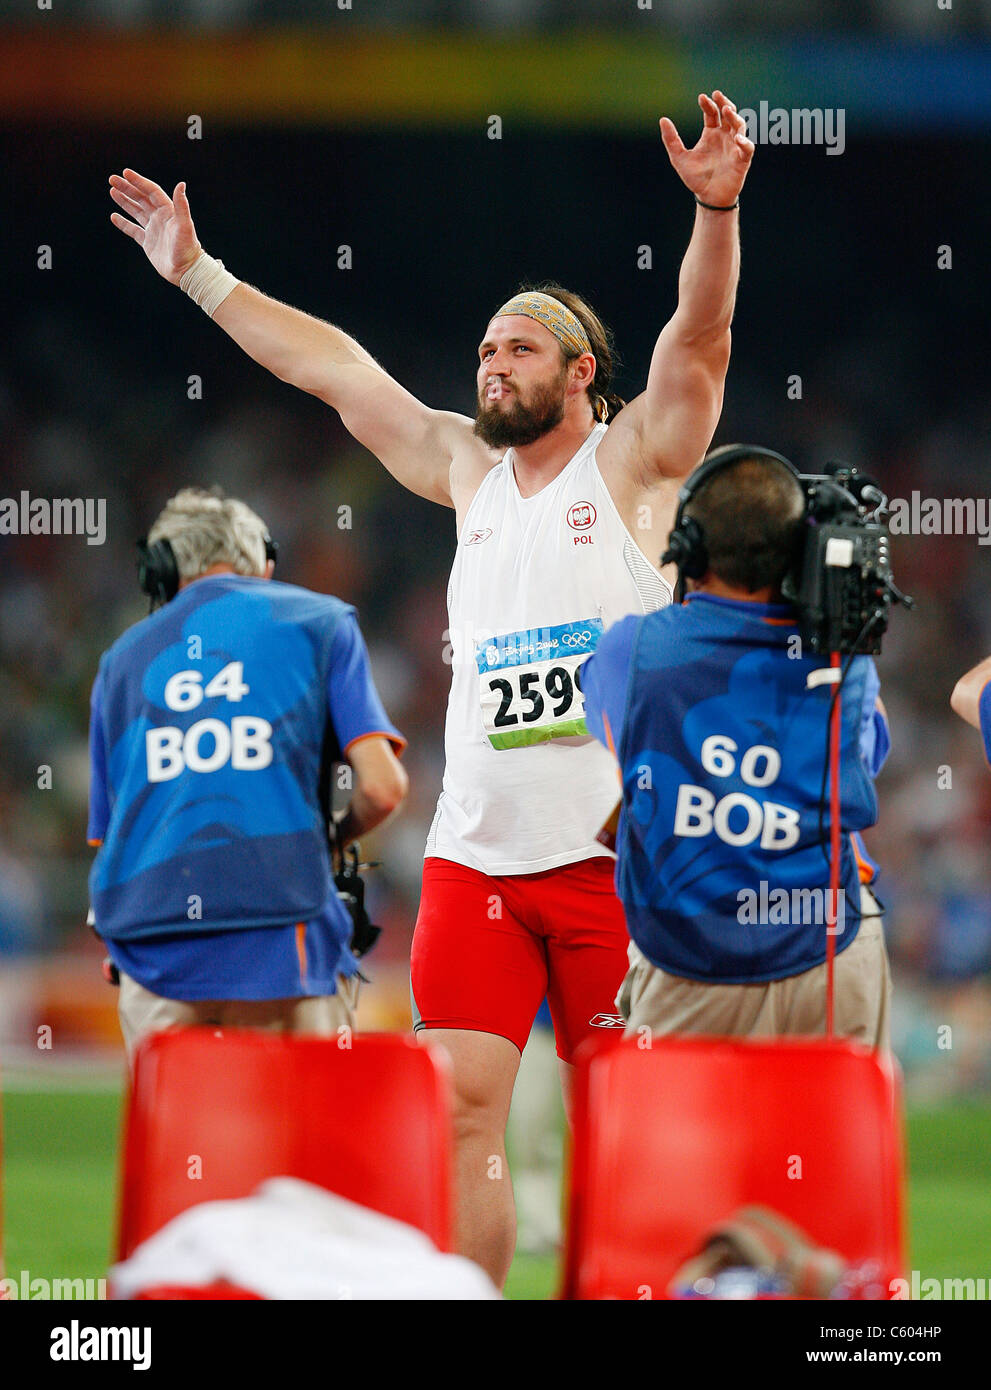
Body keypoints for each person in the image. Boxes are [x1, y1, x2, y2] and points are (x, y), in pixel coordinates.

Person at [107, 89, 754, 1286]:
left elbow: (698, 345)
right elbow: (336, 371)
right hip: (478, 863)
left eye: (515, 348)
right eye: (482, 350)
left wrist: (714, 212)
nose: (488, 363)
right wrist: (199, 274)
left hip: (616, 860)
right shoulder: (465, 468)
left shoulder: (634, 463)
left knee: (623, 1120)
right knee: (462, 1114)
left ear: (580, 371)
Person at [582, 446, 893, 1050]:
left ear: (690, 548)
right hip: (829, 948)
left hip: (686, 961)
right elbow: (869, 753)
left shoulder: (634, 649)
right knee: (839, 1143)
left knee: (680, 1148)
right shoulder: (842, 657)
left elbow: (610, 725)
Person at [87, 487, 407, 1063]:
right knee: (298, 1145)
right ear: (261, 559)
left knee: (177, 1145)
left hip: (152, 944)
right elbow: (383, 789)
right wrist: (326, 843)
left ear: (159, 570)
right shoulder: (322, 623)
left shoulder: (120, 662)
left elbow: (111, 839)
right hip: (285, 935)